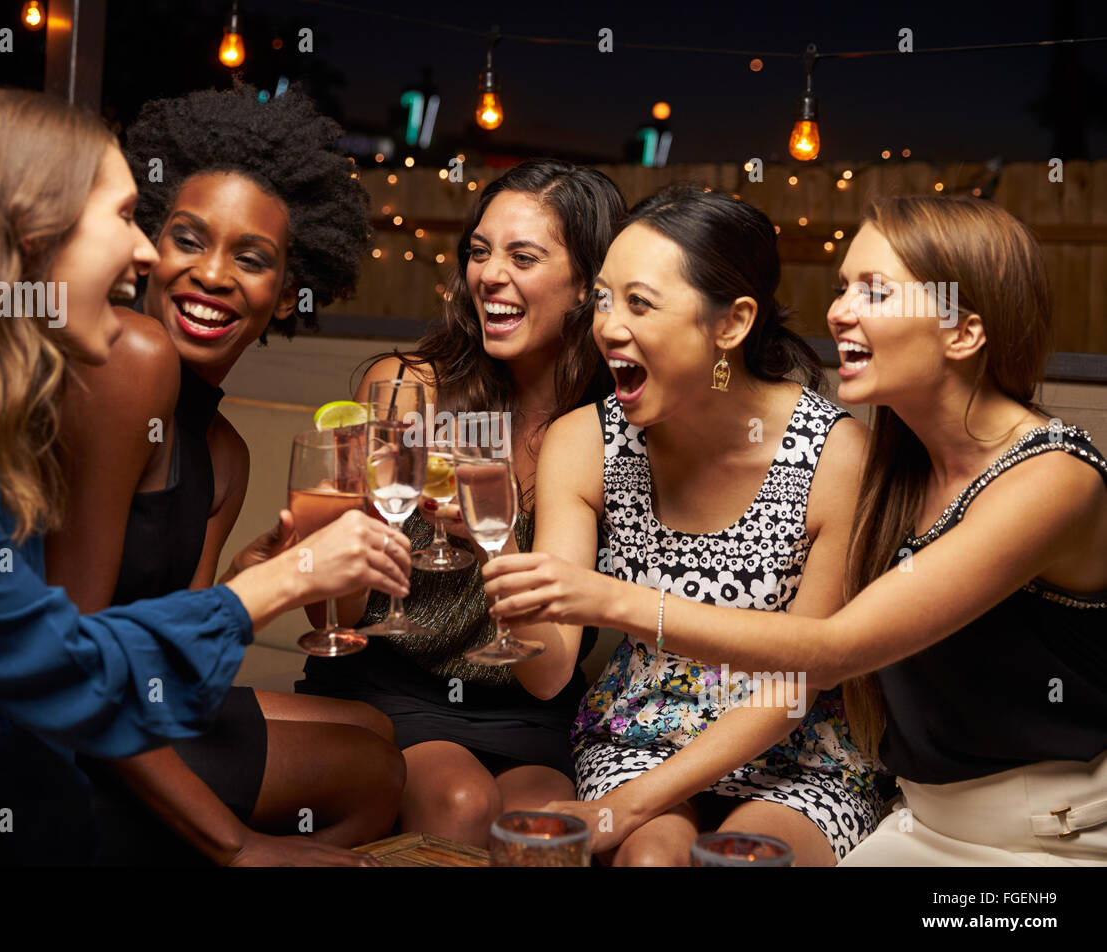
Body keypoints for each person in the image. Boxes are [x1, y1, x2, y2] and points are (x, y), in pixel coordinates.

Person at [0, 88, 411, 867]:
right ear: (33, 230)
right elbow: (56, 671)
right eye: (128, 217)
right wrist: (288, 579)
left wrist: (246, 584)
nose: (150, 255)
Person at [484, 194, 1107, 865]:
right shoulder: (905, 464)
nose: (839, 311)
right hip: (922, 820)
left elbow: (832, 650)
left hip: (1046, 832)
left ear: (961, 332)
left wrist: (609, 598)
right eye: (844, 288)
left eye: (874, 291)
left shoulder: (1053, 477)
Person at [448, 185, 880, 865]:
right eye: (603, 300)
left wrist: (623, 809)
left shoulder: (838, 455)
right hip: (639, 732)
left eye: (641, 304)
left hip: (796, 749)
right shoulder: (583, 443)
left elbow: (799, 679)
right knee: (652, 860)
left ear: (732, 324)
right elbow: (548, 674)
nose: (608, 327)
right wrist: (499, 552)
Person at [44, 84, 404, 866]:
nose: (212, 275)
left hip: (124, 710)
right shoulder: (126, 362)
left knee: (377, 735)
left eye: (252, 258)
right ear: (148, 247)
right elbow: (62, 666)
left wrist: (252, 580)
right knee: (373, 776)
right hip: (46, 745)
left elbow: (178, 673)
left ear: (285, 295)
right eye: (188, 240)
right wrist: (240, 845)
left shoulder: (227, 452)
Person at [296, 159, 626, 848]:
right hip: (391, 683)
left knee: (541, 834)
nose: (489, 275)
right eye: (479, 252)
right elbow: (343, 612)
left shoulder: (606, 433)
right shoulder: (409, 389)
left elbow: (547, 676)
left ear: (585, 288)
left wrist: (492, 539)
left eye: (523, 256)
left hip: (528, 704)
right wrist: (331, 527)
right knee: (460, 801)